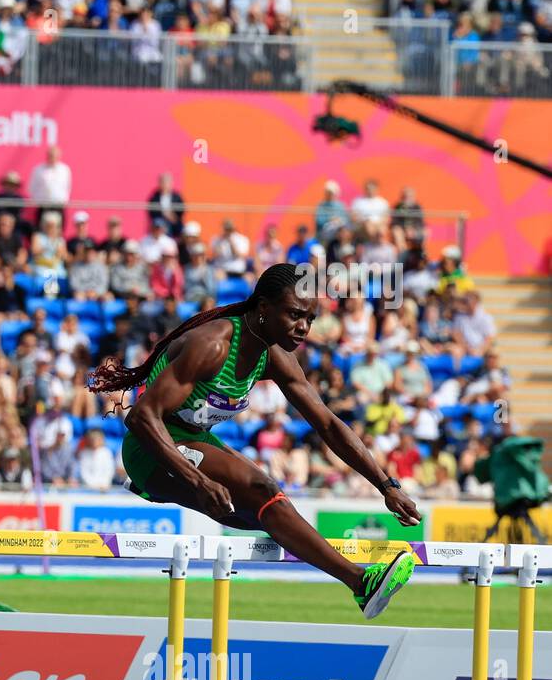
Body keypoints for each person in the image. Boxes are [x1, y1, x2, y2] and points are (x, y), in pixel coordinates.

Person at [88, 263, 421, 619]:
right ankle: (360, 581)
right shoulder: (212, 345)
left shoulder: (274, 356)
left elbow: (327, 424)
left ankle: (358, 585)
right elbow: (140, 417)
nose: (303, 328)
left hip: (194, 441)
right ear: (263, 308)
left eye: (310, 318)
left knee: (272, 511)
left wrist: (386, 485)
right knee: (263, 489)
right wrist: (196, 480)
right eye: (295, 315)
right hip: (149, 449)